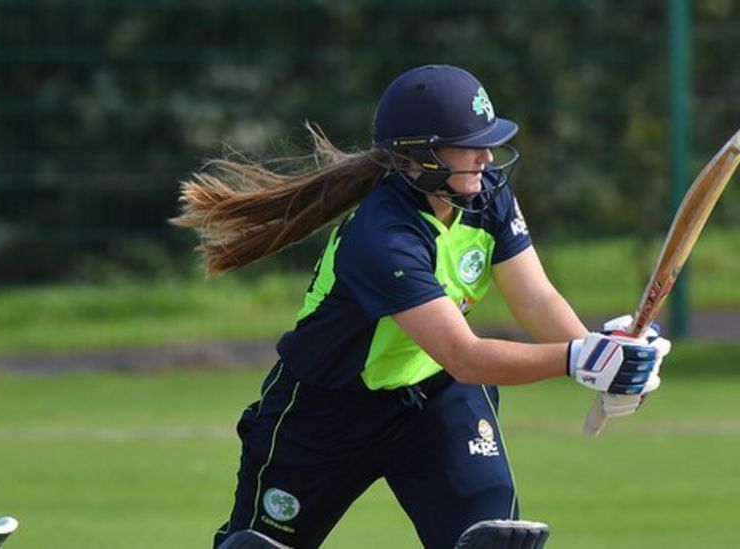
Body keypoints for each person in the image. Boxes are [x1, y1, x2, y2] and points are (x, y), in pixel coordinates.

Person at [172, 64, 671, 549]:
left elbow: (536, 297)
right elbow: (465, 354)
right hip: (327, 408)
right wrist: (578, 358)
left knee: (495, 541)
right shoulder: (383, 237)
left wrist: (606, 355)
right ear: (423, 155)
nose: (488, 157)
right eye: (472, 146)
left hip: (435, 396)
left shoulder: (487, 194)